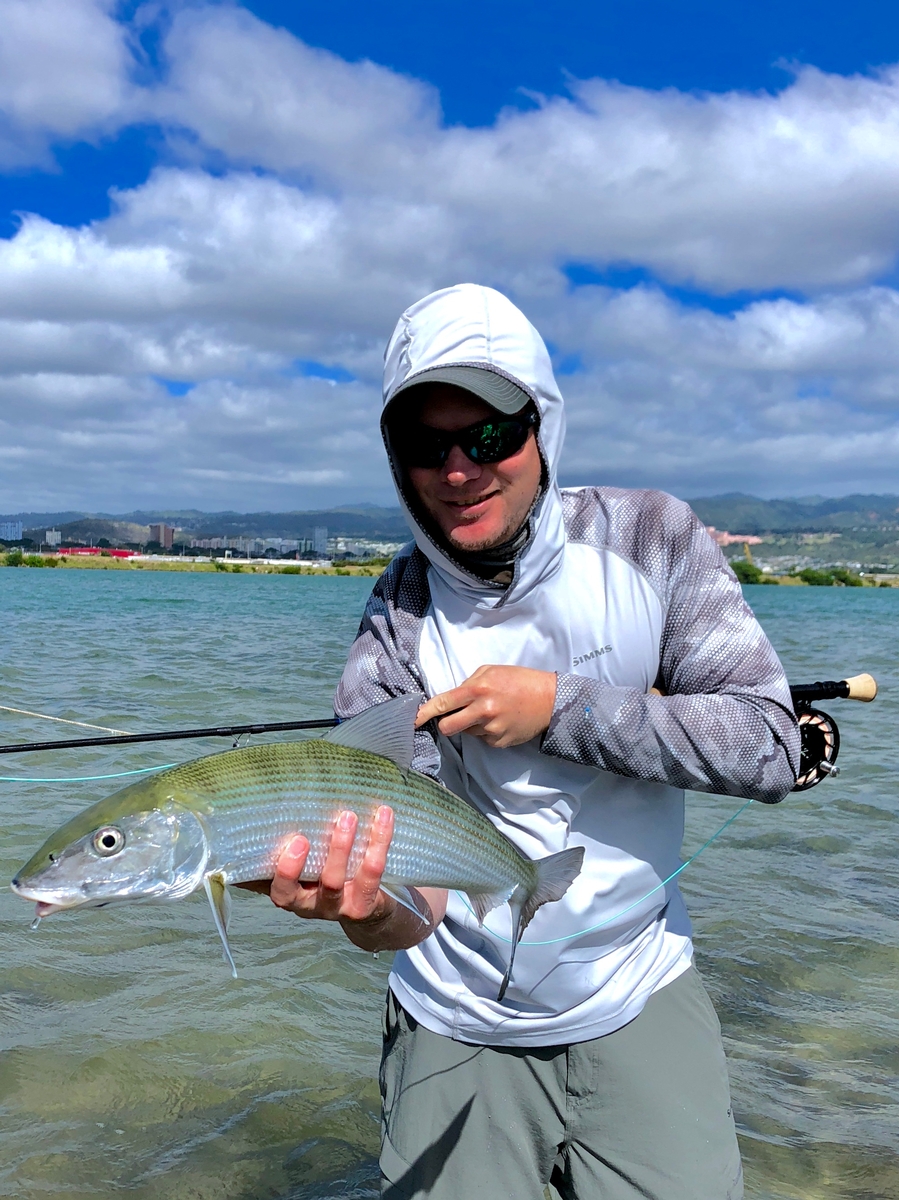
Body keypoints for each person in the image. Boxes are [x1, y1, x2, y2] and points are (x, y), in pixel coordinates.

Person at [256, 284, 800, 1199]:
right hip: (452, 1015)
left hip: (641, 988)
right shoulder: (396, 617)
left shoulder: (652, 539)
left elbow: (770, 744)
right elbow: (413, 905)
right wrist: (365, 914)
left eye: (489, 436)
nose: (458, 471)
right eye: (425, 446)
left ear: (542, 426)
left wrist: (561, 710)